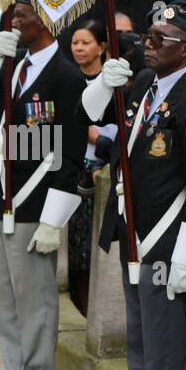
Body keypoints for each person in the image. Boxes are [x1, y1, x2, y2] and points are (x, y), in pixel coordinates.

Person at [84, 3, 186, 370]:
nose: (148, 45)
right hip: (132, 233)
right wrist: (102, 84)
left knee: (161, 350)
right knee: (138, 345)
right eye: (149, 37)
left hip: (166, 240)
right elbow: (90, 119)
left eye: (160, 39)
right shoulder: (141, 86)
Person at [0, 0, 88, 370]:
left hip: (35, 201)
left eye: (25, 12)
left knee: (35, 298)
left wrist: (55, 219)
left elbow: (71, 153)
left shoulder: (66, 77)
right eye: (13, 12)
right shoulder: (12, 63)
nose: (15, 18)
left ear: (49, 20)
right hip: (0, 195)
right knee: (6, 296)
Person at [67, 19, 111, 315]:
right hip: (74, 169)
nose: (79, 48)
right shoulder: (68, 80)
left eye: (86, 42)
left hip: (105, 169)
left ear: (102, 47)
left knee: (96, 249)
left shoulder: (114, 80)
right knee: (75, 250)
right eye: (75, 42)